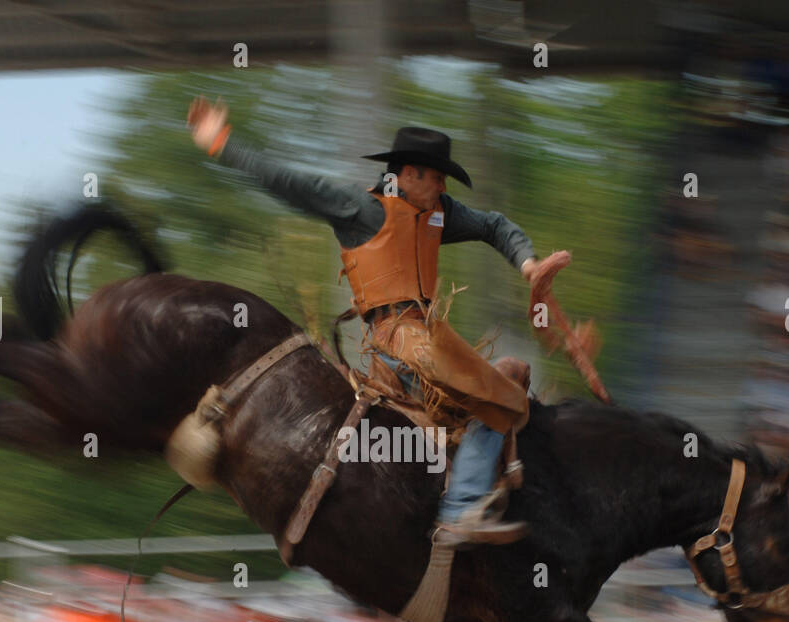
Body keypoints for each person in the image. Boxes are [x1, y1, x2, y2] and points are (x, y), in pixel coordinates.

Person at [187, 96, 570, 546]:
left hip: (430, 337)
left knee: (510, 386)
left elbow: (495, 225)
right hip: (399, 343)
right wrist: (222, 143)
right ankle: (463, 509)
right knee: (500, 396)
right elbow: (285, 181)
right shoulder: (360, 208)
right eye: (436, 174)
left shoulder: (438, 214)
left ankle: (481, 489)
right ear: (408, 174)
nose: (444, 183)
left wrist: (530, 268)